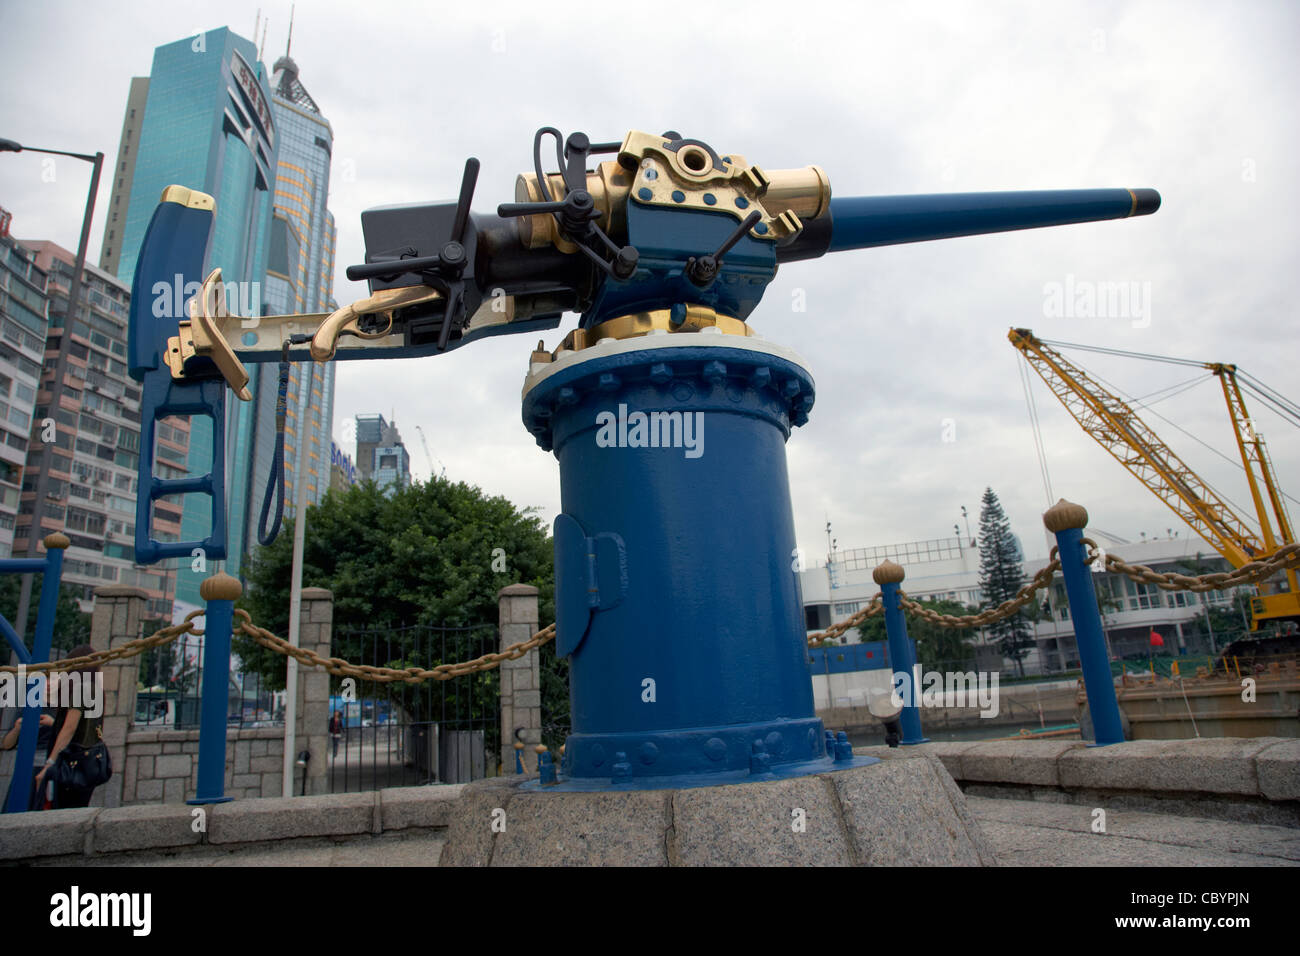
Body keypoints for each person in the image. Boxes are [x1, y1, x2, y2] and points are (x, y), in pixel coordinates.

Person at [33, 645, 106, 809]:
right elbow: (85, 726)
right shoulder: (96, 690)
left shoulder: (81, 690)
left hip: (71, 763)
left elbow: (70, 728)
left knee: (58, 809)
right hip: (88, 763)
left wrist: (49, 764)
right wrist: (54, 723)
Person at [1, 708, 57, 810]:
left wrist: (54, 724)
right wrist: (17, 729)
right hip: (26, 768)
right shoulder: (27, 709)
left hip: (51, 766)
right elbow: (7, 744)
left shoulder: (63, 710)